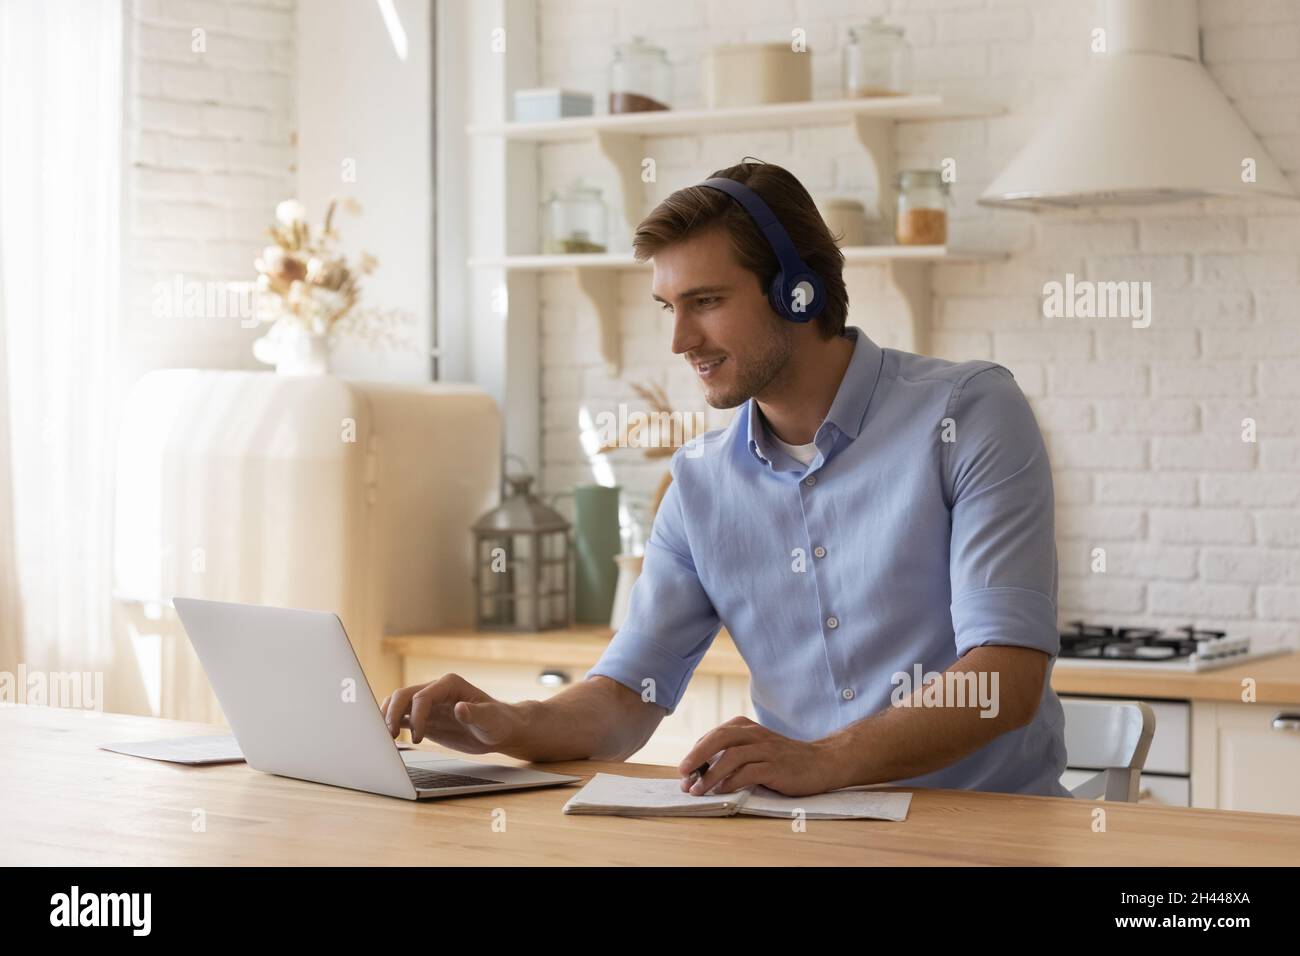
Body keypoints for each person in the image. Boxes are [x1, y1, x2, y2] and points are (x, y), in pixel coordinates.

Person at [382, 158, 1069, 799]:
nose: (680, 341)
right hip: (803, 839)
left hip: (987, 836)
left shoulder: (969, 412)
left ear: (798, 293)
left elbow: (1005, 677)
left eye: (705, 301)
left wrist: (823, 759)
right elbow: (626, 698)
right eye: (668, 308)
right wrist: (509, 722)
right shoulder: (700, 486)